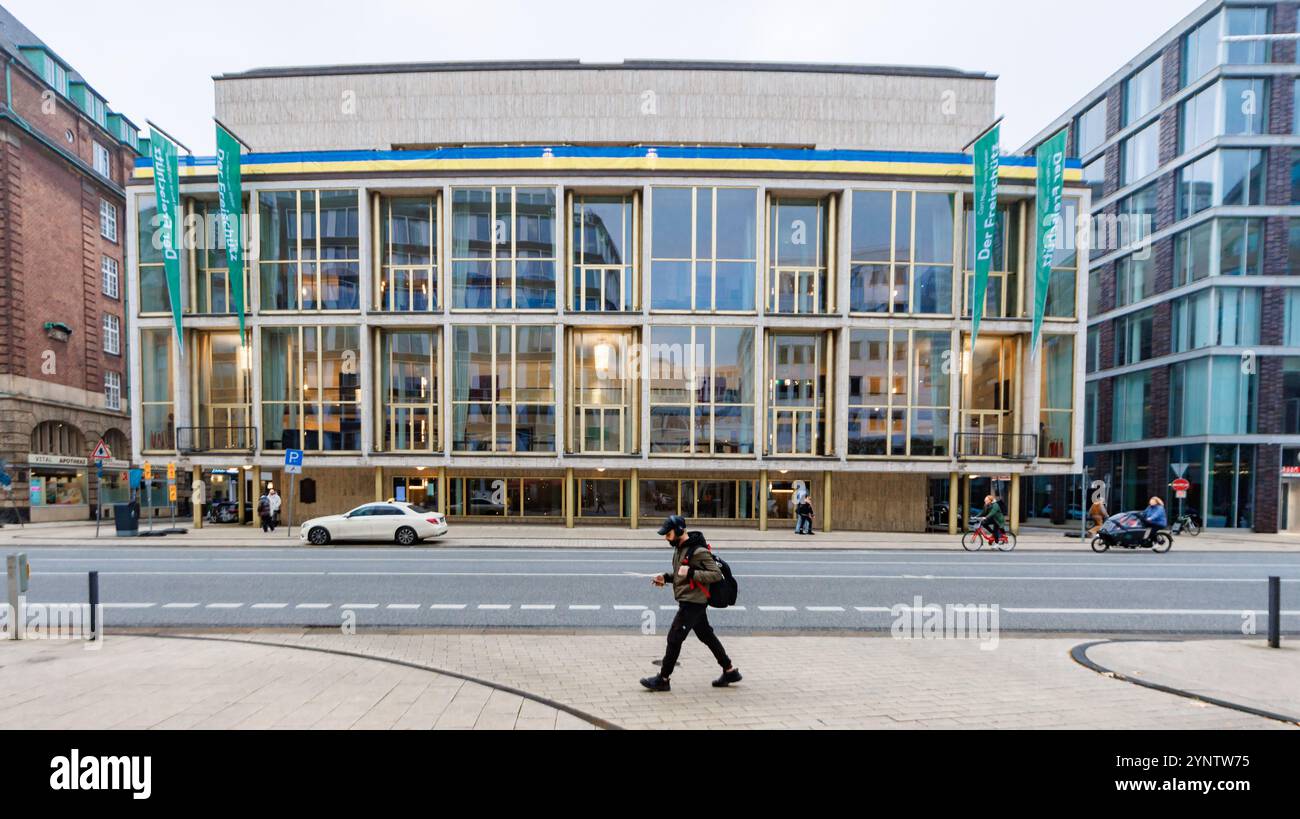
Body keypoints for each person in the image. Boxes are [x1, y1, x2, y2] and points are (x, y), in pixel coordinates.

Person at [640, 515, 742, 693]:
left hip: (693, 603)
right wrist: (665, 578)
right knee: (706, 636)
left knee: (674, 638)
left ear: (679, 531)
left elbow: (715, 574)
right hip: (690, 600)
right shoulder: (680, 548)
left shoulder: (698, 551)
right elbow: (681, 574)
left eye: (668, 534)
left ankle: (663, 679)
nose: (666, 538)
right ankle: (730, 671)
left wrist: (692, 572)